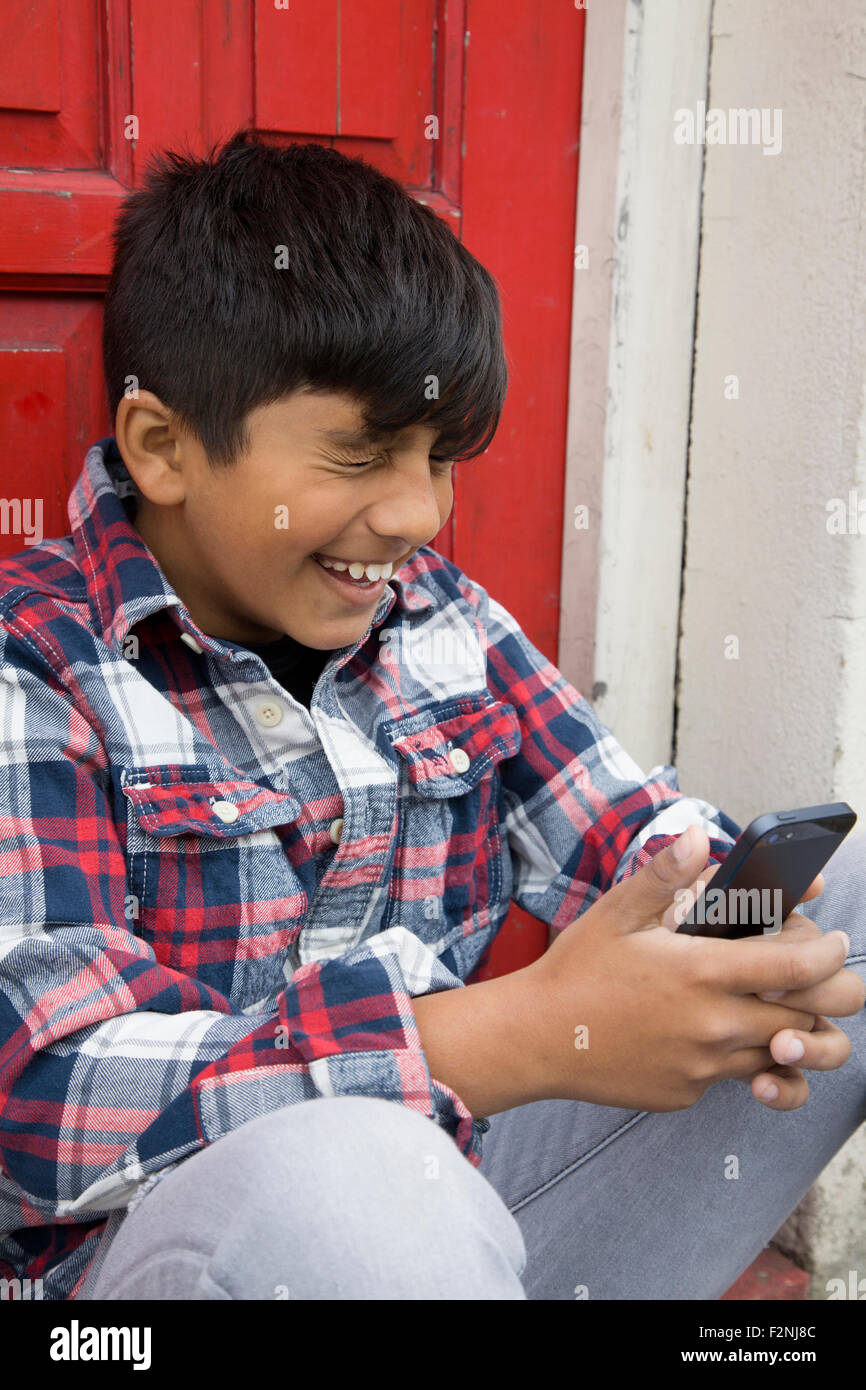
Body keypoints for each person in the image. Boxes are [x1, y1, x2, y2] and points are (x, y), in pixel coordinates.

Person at [0, 130, 862, 1302]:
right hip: (139, 1285)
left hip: (461, 1234)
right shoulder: (37, 662)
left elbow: (641, 839)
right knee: (352, 1179)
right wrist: (510, 1031)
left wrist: (741, 935)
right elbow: (42, 1104)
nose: (416, 511)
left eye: (439, 459)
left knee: (842, 902)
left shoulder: (440, 623)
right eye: (361, 455)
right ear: (164, 447)